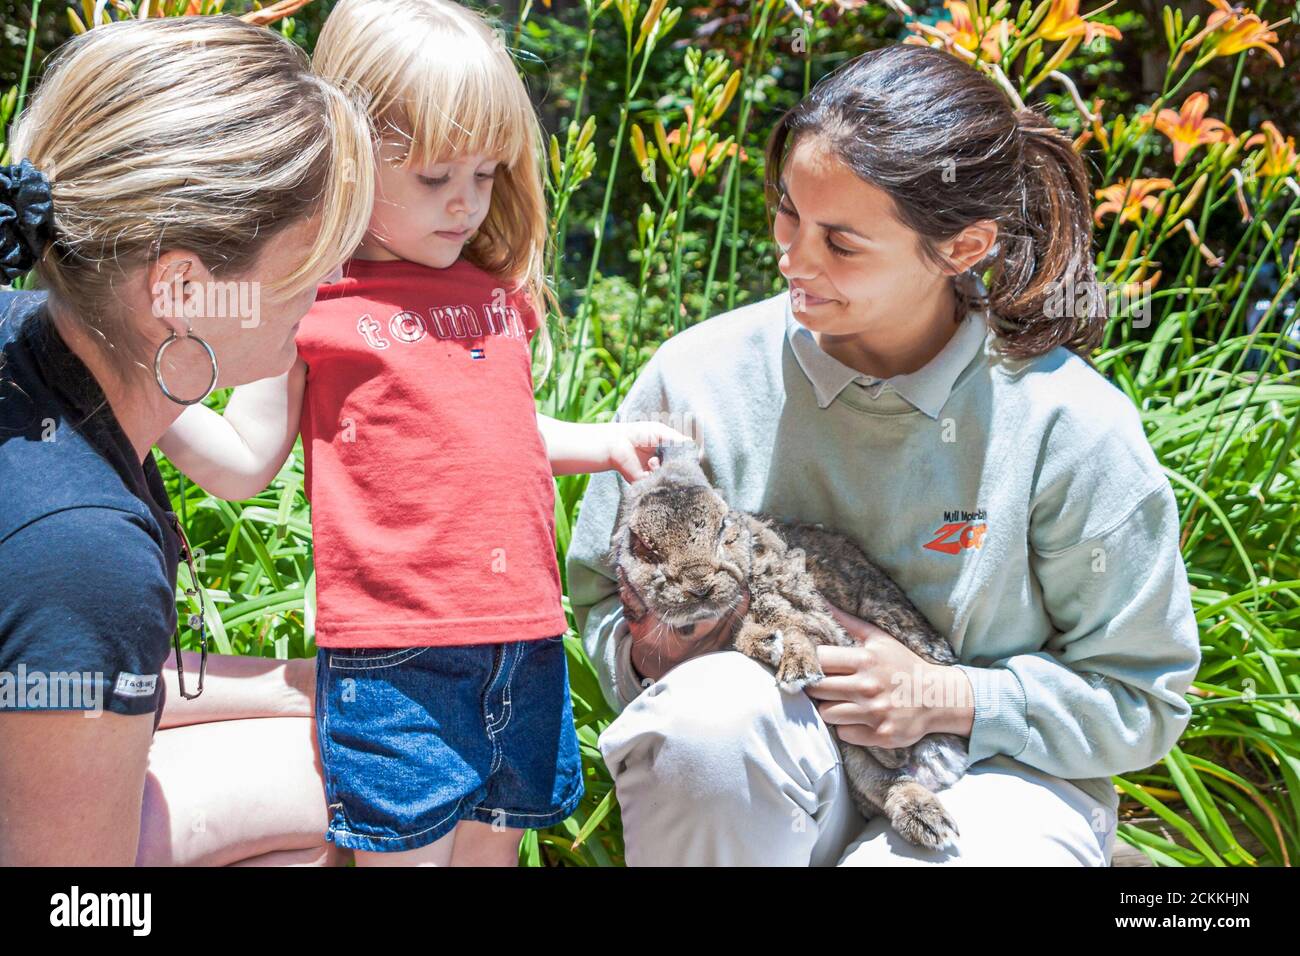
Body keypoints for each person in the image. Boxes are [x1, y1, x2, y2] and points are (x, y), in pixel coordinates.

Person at [565, 44, 1203, 866]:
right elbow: (602, 599)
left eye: (841, 242)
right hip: (781, 753)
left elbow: (1141, 698)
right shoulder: (695, 379)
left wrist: (950, 696)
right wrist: (668, 645)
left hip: (1002, 778)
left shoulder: (1070, 425)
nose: (793, 259)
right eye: (788, 212)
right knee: (704, 731)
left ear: (964, 247)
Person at [157, 0, 688, 867]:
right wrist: (143, 387)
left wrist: (600, 443)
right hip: (395, 651)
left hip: (523, 638)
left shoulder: (492, 292)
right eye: (436, 177)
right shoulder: (309, 299)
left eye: (485, 173)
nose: (467, 203)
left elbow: (491, 430)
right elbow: (244, 462)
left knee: (490, 854)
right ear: (348, 156)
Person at [0, 15, 376, 865]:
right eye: (311, 262)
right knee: (350, 786)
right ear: (179, 288)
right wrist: (284, 791)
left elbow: (42, 682)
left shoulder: (30, 336)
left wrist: (298, 689)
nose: (328, 287)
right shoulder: (82, 548)